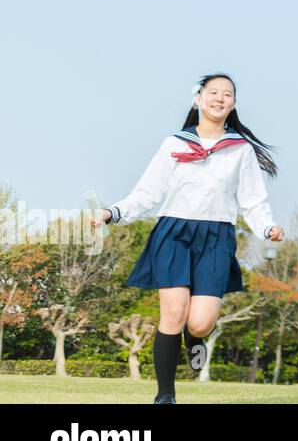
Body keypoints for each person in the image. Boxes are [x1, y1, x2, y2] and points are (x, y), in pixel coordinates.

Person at [91, 73, 284, 403]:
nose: (219, 98)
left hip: (216, 236)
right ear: (198, 98)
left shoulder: (239, 150)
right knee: (173, 312)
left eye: (227, 94)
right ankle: (165, 396)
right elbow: (147, 193)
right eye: (213, 92)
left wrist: (268, 228)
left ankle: (195, 339)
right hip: (174, 232)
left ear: (234, 104)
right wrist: (113, 213)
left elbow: (253, 202)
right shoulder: (174, 143)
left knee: (199, 323)